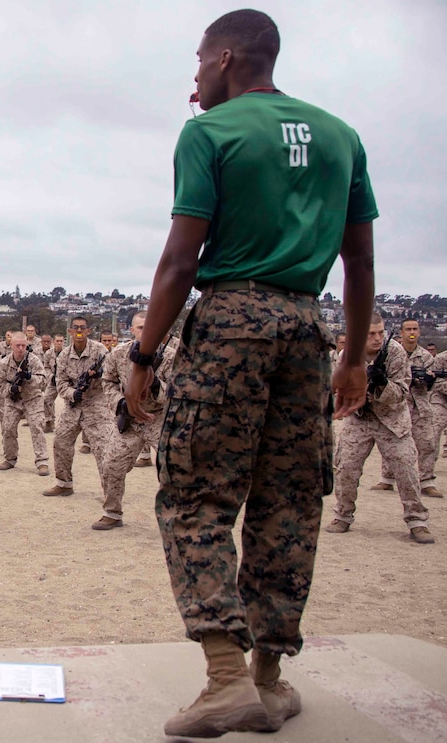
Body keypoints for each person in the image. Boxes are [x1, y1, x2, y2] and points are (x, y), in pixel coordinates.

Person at [123, 9, 377, 737]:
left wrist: (144, 356)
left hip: (231, 321)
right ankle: (268, 678)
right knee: (288, 503)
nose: (194, 81)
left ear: (229, 58)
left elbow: (179, 261)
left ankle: (225, 675)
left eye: (200, 62)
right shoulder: (340, 136)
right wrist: (353, 356)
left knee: (196, 497)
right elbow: (359, 262)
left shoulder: (210, 134)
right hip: (307, 328)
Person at [327, 316, 433, 539]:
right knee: (346, 467)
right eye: (371, 334)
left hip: (392, 421)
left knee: (406, 470)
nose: (377, 338)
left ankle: (416, 520)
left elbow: (402, 394)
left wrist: (383, 383)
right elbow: (341, 387)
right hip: (360, 417)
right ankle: (343, 515)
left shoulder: (395, 352)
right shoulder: (347, 355)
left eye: (381, 333)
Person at [93, 312, 176, 529]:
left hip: (158, 419)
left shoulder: (171, 357)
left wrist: (157, 385)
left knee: (174, 468)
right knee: (111, 466)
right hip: (129, 419)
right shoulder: (119, 354)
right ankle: (112, 512)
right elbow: (108, 380)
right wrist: (121, 403)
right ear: (131, 330)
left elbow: (178, 391)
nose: (145, 332)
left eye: (149, 328)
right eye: (140, 328)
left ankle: (176, 518)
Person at [369, 318, 440, 497]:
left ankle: (426, 481)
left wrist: (428, 380)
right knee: (392, 442)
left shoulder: (426, 357)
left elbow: (434, 385)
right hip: (396, 405)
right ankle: (387, 479)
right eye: (408, 329)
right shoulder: (392, 353)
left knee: (427, 443)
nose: (411, 332)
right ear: (402, 332)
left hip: (420, 406)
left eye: (415, 328)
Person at [43, 318, 110, 497]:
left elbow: (112, 375)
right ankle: (64, 484)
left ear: (88, 331)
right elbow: (61, 383)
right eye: (75, 328)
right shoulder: (64, 356)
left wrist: (101, 375)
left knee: (103, 449)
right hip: (73, 406)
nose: (79, 331)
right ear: (70, 332)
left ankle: (110, 496)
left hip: (96, 406)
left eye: (82, 328)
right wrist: (73, 393)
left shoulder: (99, 351)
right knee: (61, 442)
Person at [0, 332, 49, 475]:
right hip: (13, 400)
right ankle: (10, 458)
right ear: (11, 345)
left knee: (37, 427)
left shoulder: (34, 361)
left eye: (23, 345)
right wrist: (10, 389)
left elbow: (43, 381)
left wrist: (29, 377)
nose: (20, 348)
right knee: (8, 428)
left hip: (32, 399)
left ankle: (42, 461)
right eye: (17, 345)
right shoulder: (4, 363)